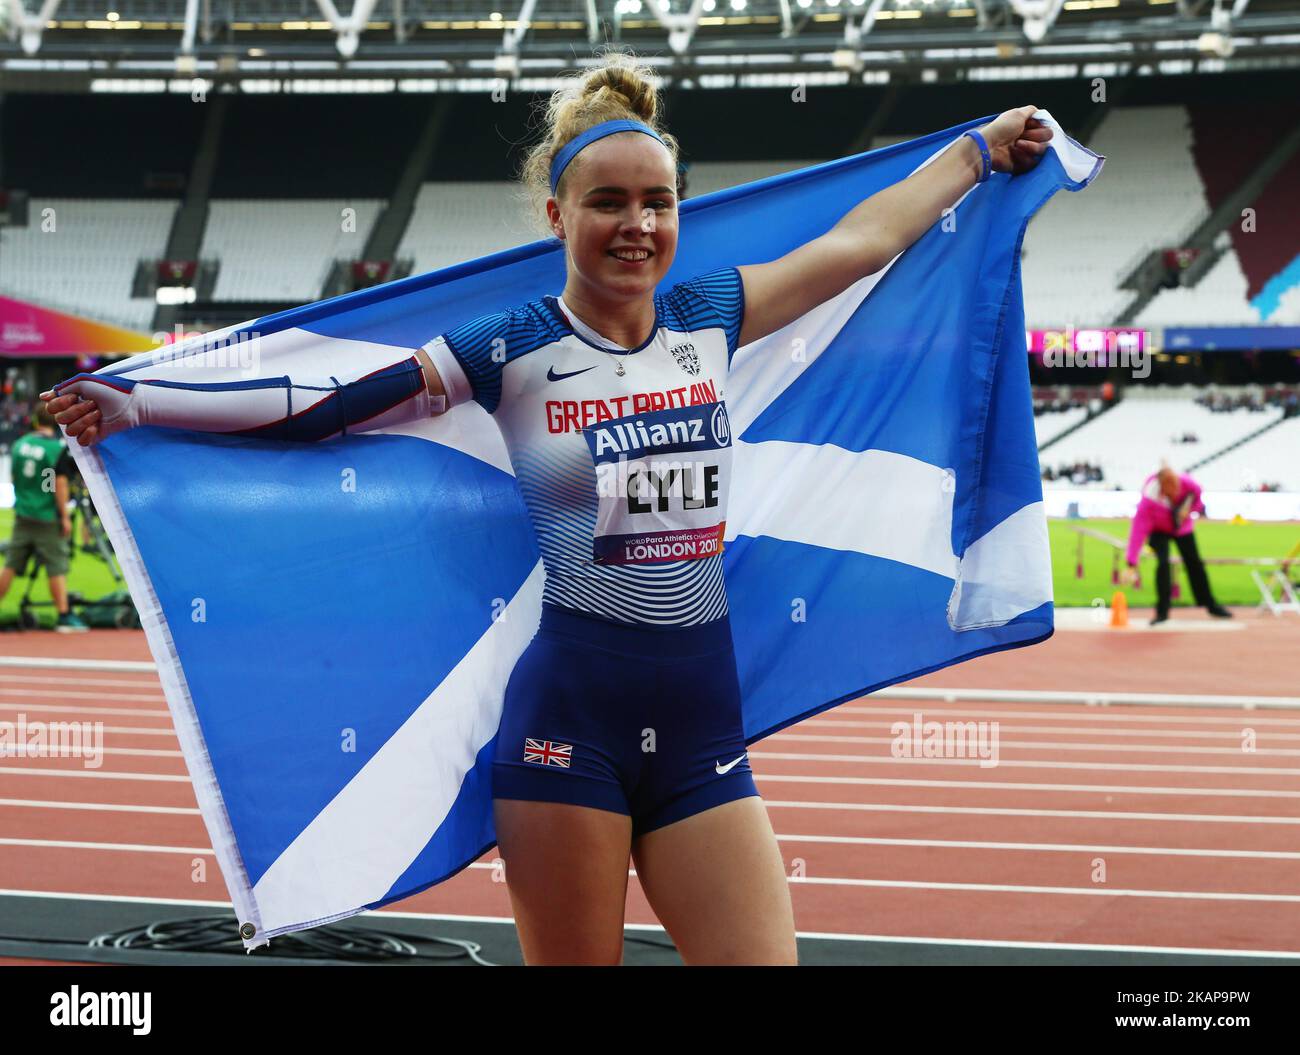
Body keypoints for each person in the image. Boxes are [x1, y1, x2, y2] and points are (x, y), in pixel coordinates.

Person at [40, 51, 1054, 964]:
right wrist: (140, 398)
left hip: (703, 730)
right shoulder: (510, 345)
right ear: (556, 217)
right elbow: (326, 411)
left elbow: (864, 239)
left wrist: (976, 149)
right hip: (567, 732)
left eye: (657, 202)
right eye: (607, 202)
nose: (637, 225)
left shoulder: (712, 314)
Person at [0, 403, 89, 631]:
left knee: (10, 565)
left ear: (35, 421)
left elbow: (15, 476)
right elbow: (57, 484)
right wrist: (65, 516)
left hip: (23, 513)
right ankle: (63, 615)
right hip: (47, 516)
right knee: (56, 566)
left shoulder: (20, 444)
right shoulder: (55, 449)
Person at [1121, 465, 1231, 626]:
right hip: (1158, 531)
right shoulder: (1149, 500)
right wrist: (1131, 562)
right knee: (1163, 564)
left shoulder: (1188, 484)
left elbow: (1198, 500)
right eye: (1170, 493)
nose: (1174, 494)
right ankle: (1162, 612)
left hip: (1181, 526)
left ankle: (1210, 605)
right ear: (1162, 490)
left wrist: (1190, 509)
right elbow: (1138, 531)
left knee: (1195, 564)